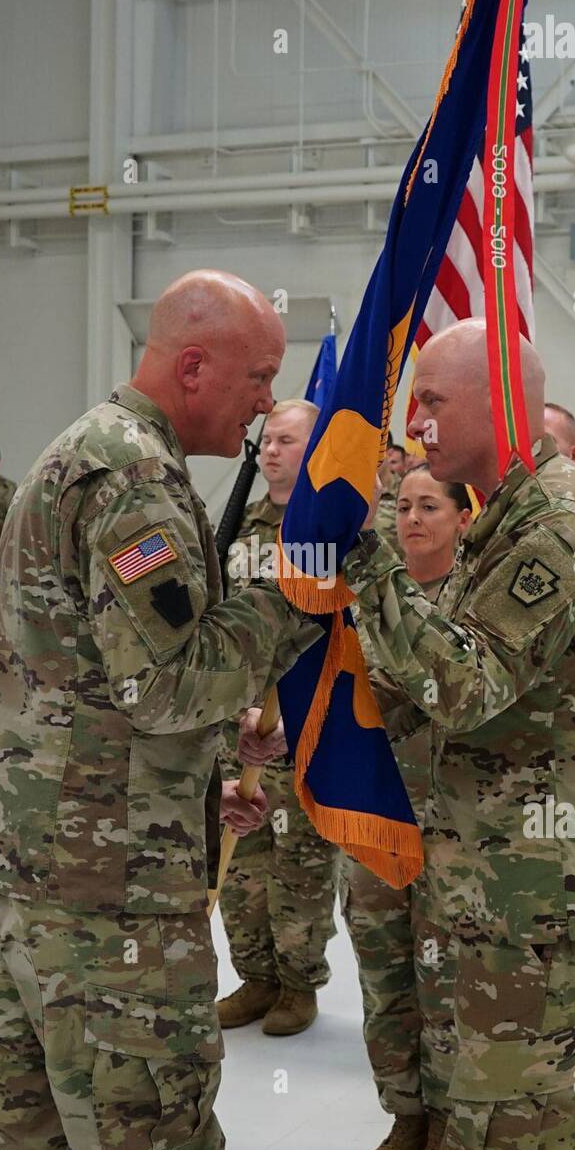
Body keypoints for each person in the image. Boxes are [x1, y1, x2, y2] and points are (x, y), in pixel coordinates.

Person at [0, 270, 322, 1150]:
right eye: (259, 377)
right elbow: (167, 685)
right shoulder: (134, 477)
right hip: (101, 906)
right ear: (194, 365)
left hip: (6, 871)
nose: (266, 401)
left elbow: (83, 679)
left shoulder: (85, 450)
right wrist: (293, 598)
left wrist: (189, 790)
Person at [339, 322, 575, 1150]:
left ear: (499, 400)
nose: (416, 423)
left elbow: (464, 683)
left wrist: (364, 552)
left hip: (540, 893)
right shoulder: (506, 518)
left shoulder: (559, 521)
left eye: (434, 401)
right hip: (535, 882)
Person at [343, 464, 469, 1150]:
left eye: (431, 506)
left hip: (453, 821)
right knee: (384, 974)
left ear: (460, 518)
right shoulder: (360, 603)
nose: (413, 518)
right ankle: (404, 1117)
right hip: (374, 815)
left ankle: (449, 1125)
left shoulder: (473, 604)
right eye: (403, 506)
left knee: (444, 977)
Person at [217, 398, 341, 1037]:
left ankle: (298, 983)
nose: (269, 450)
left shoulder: (329, 531)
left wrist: (303, 713)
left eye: (287, 441)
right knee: (240, 859)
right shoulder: (239, 524)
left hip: (302, 724)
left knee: (300, 864)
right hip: (236, 723)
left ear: (316, 448)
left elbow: (343, 636)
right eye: (266, 439)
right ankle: (255, 976)